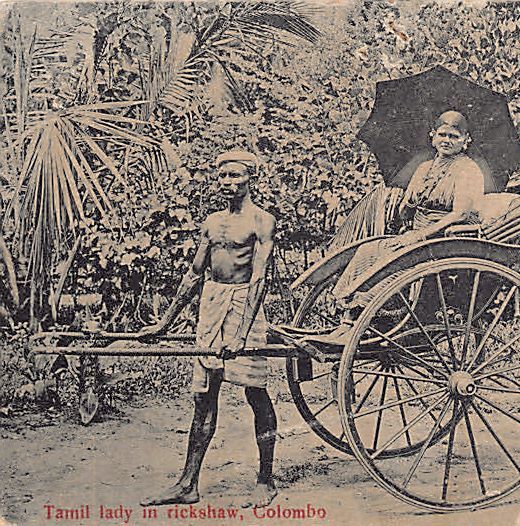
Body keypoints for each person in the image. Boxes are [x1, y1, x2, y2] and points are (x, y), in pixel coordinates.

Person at [138, 150, 279, 509]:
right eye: (223, 177)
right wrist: (164, 323)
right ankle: (188, 484)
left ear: (251, 179)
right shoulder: (212, 222)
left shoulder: (262, 221)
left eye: (235, 176)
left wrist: (242, 333)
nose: (228, 183)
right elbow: (194, 274)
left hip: (243, 304)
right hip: (212, 304)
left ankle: (266, 480)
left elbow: (260, 278)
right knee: (204, 395)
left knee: (254, 392)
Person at [301, 110, 485, 347]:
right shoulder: (424, 167)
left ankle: (368, 320)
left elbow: (459, 213)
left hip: (443, 239)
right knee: (370, 250)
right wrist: (405, 207)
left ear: (465, 140)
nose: (447, 141)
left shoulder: (468, 170)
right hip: (416, 234)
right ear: (432, 136)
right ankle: (350, 321)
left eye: (454, 136)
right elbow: (409, 204)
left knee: (394, 260)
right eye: (442, 135)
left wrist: (418, 235)